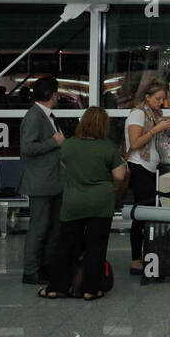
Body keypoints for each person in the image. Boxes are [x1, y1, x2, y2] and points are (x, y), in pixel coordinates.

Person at [40, 107, 127, 300]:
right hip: (101, 202)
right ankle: (91, 289)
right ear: (104, 126)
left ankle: (56, 287)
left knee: (66, 246)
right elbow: (119, 175)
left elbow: (64, 166)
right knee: (96, 247)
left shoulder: (69, 145)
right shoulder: (108, 147)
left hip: (73, 201)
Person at [124, 80, 170, 276]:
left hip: (150, 168)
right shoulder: (138, 114)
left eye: (163, 99)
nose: (161, 103)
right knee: (143, 214)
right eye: (157, 99)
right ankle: (136, 259)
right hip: (139, 168)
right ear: (147, 97)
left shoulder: (154, 115)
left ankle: (150, 254)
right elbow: (136, 142)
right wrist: (156, 129)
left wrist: (167, 128)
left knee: (149, 213)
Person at [19, 75, 65, 285]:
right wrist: (53, 142)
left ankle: (46, 266)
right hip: (41, 183)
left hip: (53, 181)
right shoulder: (34, 116)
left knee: (53, 228)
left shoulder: (47, 116)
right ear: (53, 94)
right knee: (39, 228)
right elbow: (27, 148)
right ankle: (31, 270)